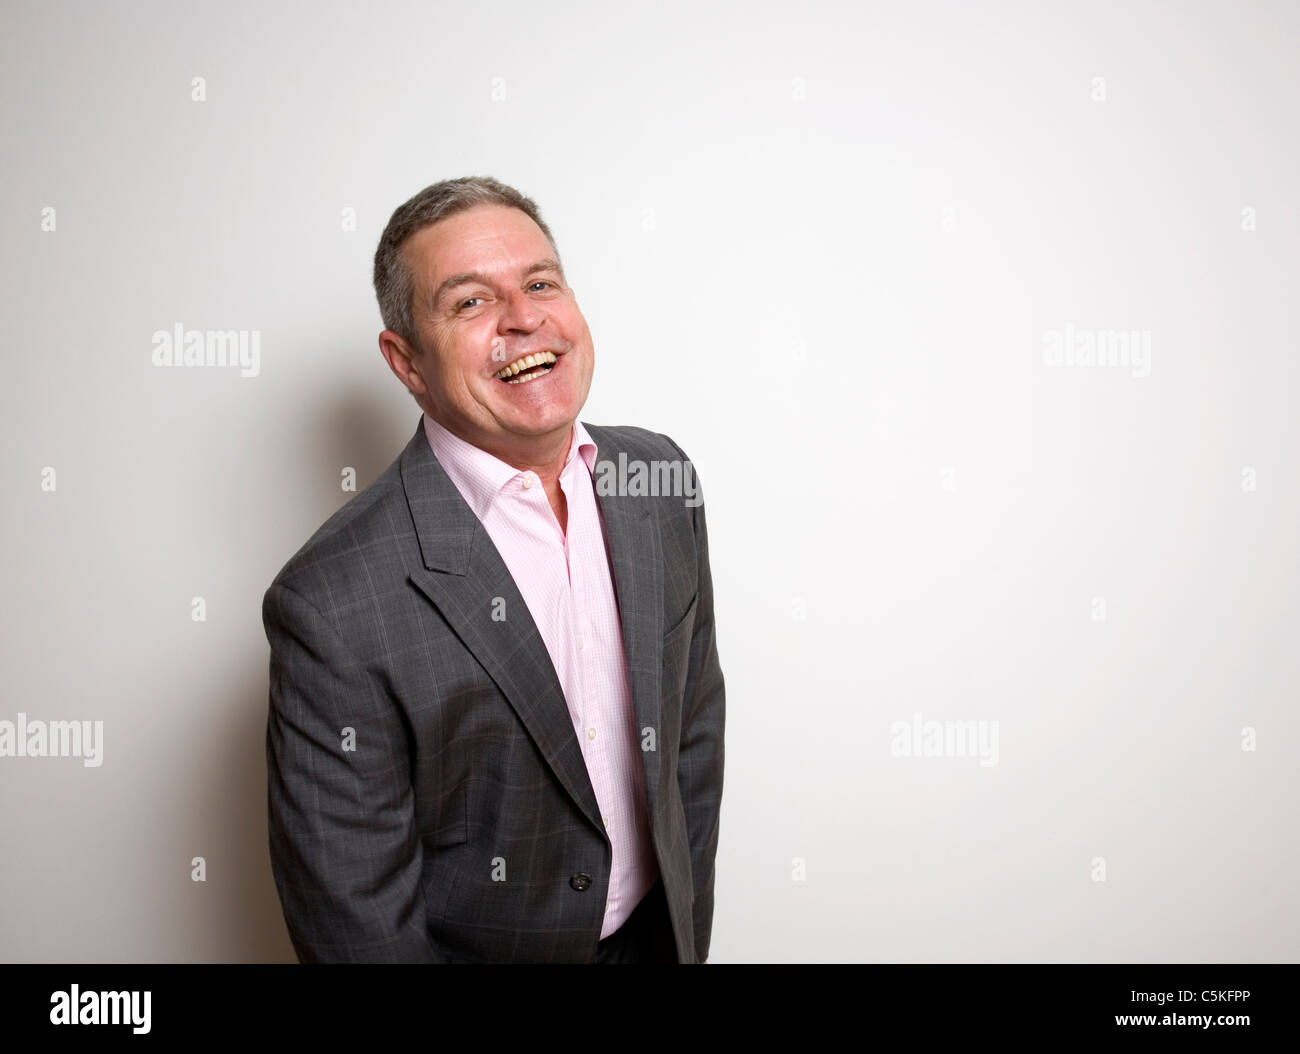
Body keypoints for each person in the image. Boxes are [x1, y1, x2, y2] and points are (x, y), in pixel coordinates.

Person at [262, 176, 725, 963]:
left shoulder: (659, 477)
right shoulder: (331, 603)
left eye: (540, 282)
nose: (523, 318)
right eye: (470, 302)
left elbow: (693, 734)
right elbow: (354, 918)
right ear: (406, 362)